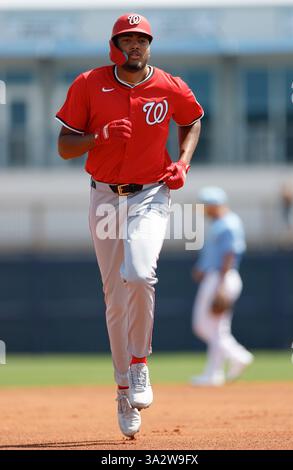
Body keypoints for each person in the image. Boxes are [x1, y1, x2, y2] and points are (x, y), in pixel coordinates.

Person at [56, 13, 203, 438]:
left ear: (149, 44)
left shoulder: (168, 85)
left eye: (141, 38)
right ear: (114, 45)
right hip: (104, 196)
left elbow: (192, 119)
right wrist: (98, 135)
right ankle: (122, 389)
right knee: (114, 300)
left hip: (150, 193)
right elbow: (65, 145)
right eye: (127, 38)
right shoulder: (89, 83)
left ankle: (139, 364)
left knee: (139, 273)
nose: (134, 45)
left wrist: (183, 162)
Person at [191, 187, 253, 386]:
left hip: (221, 277)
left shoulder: (228, 223)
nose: (204, 210)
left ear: (214, 205)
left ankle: (238, 356)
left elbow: (230, 254)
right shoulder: (220, 223)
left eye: (206, 206)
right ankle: (214, 373)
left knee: (202, 326)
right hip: (218, 275)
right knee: (218, 329)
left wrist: (221, 284)